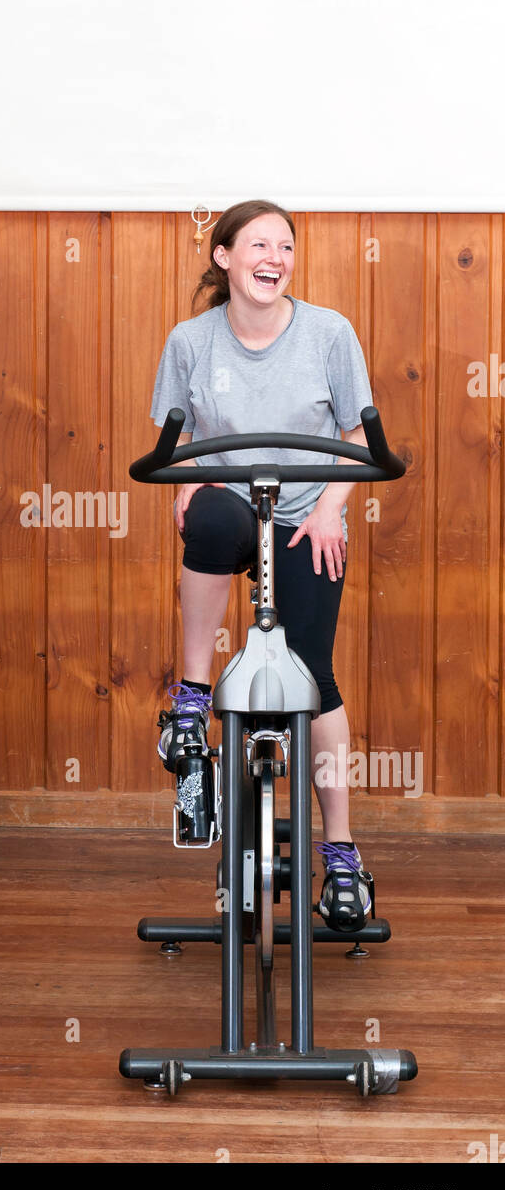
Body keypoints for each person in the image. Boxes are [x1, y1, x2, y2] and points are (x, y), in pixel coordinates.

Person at [151, 199, 375, 930]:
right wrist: (185, 489)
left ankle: (340, 854)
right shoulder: (190, 341)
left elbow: (358, 438)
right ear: (223, 258)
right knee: (209, 516)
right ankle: (190, 701)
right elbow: (174, 449)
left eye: (284, 245)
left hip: (306, 512)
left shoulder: (327, 333)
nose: (272, 257)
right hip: (230, 506)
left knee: (316, 680)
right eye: (257, 244)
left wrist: (328, 509)